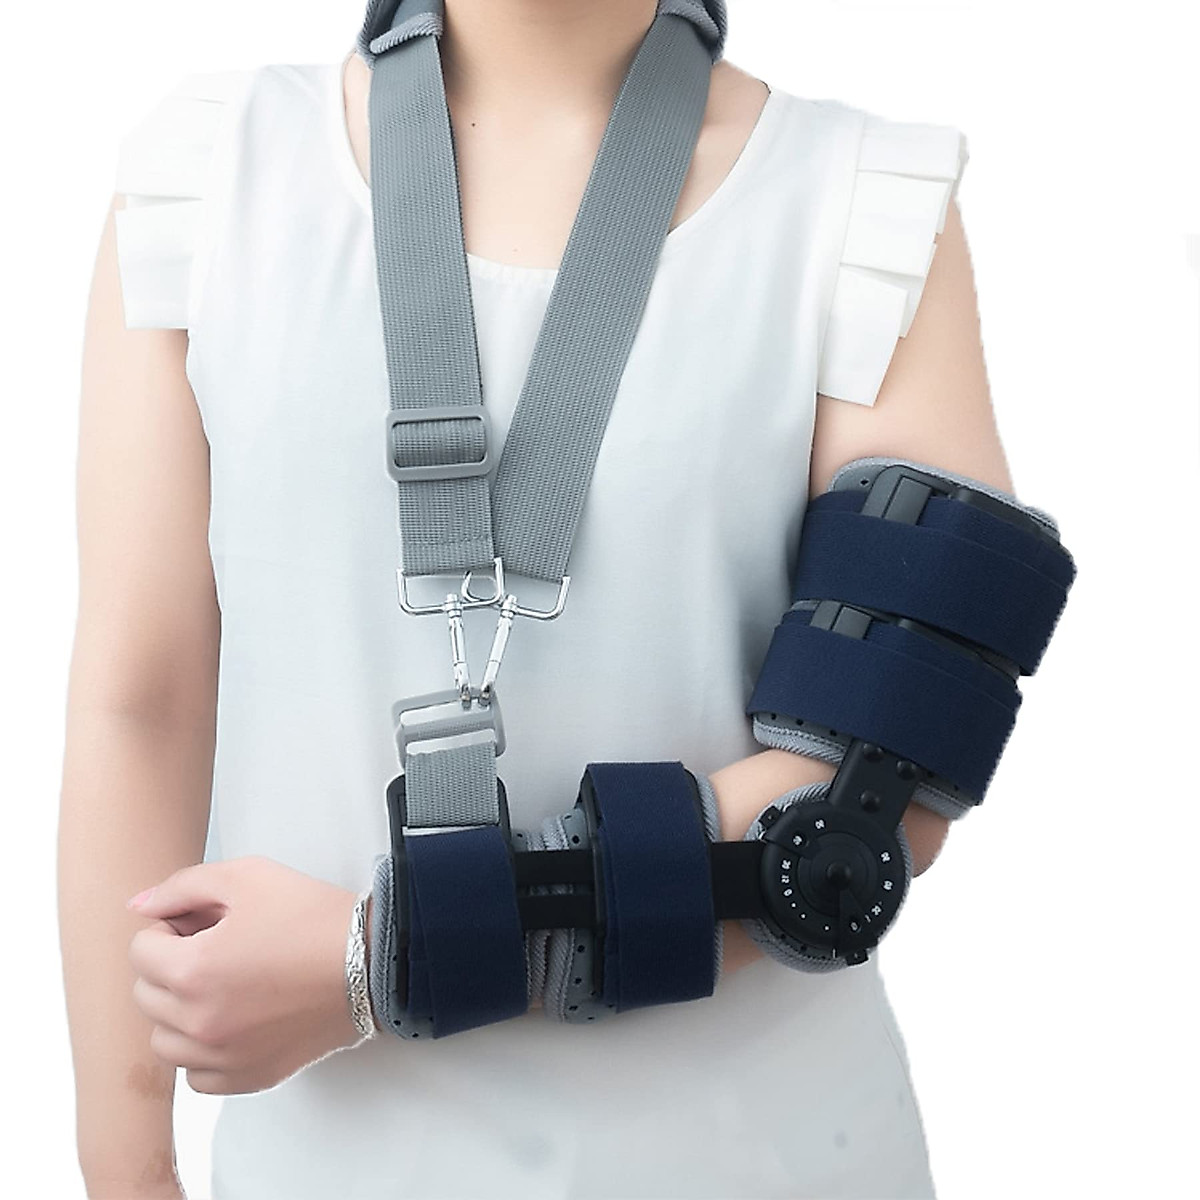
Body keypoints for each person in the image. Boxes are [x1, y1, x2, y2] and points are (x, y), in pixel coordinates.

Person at [59, 1, 999, 1197]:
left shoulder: (864, 202)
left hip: (762, 1158)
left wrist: (377, 956)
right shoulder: (205, 177)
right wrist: (126, 1166)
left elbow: (871, 802)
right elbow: (140, 705)